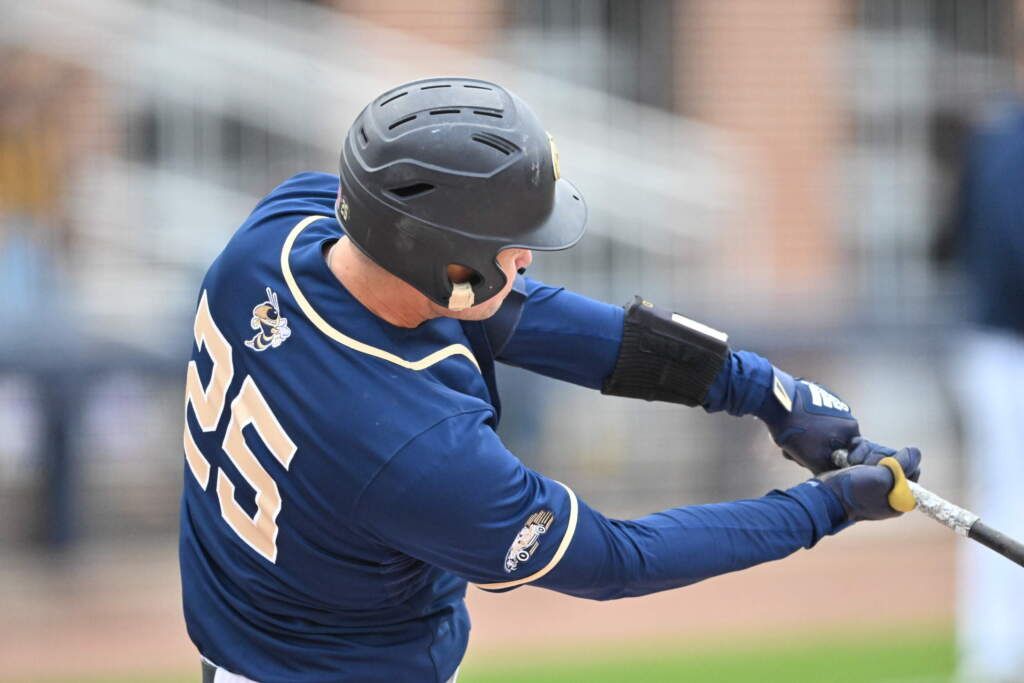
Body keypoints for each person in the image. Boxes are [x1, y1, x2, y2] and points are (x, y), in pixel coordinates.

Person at [179, 77, 921, 683]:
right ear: (442, 259)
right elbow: (619, 560)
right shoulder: (418, 449)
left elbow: (525, 320)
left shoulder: (283, 231)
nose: (527, 258)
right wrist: (818, 511)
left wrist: (762, 390)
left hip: (255, 644)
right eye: (509, 246)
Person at [950, 94, 1024, 683]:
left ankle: (996, 652)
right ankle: (997, 653)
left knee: (1007, 495)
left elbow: (947, 240)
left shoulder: (994, 137)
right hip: (1007, 347)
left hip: (991, 341)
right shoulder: (1005, 141)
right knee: (1010, 499)